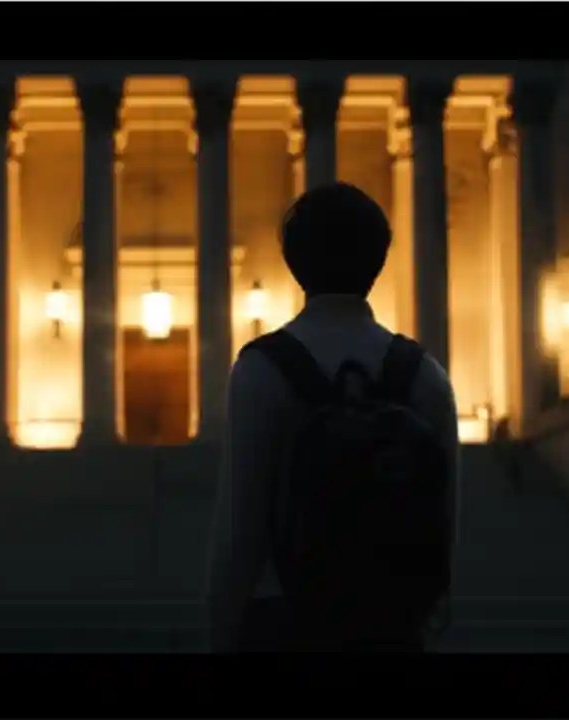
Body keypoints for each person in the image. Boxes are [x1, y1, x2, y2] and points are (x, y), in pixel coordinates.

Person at [204, 182, 460, 652]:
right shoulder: (426, 375)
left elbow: (240, 530)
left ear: (294, 262)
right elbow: (443, 527)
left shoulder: (261, 371)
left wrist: (221, 629)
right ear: (379, 260)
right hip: (391, 626)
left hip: (284, 618)